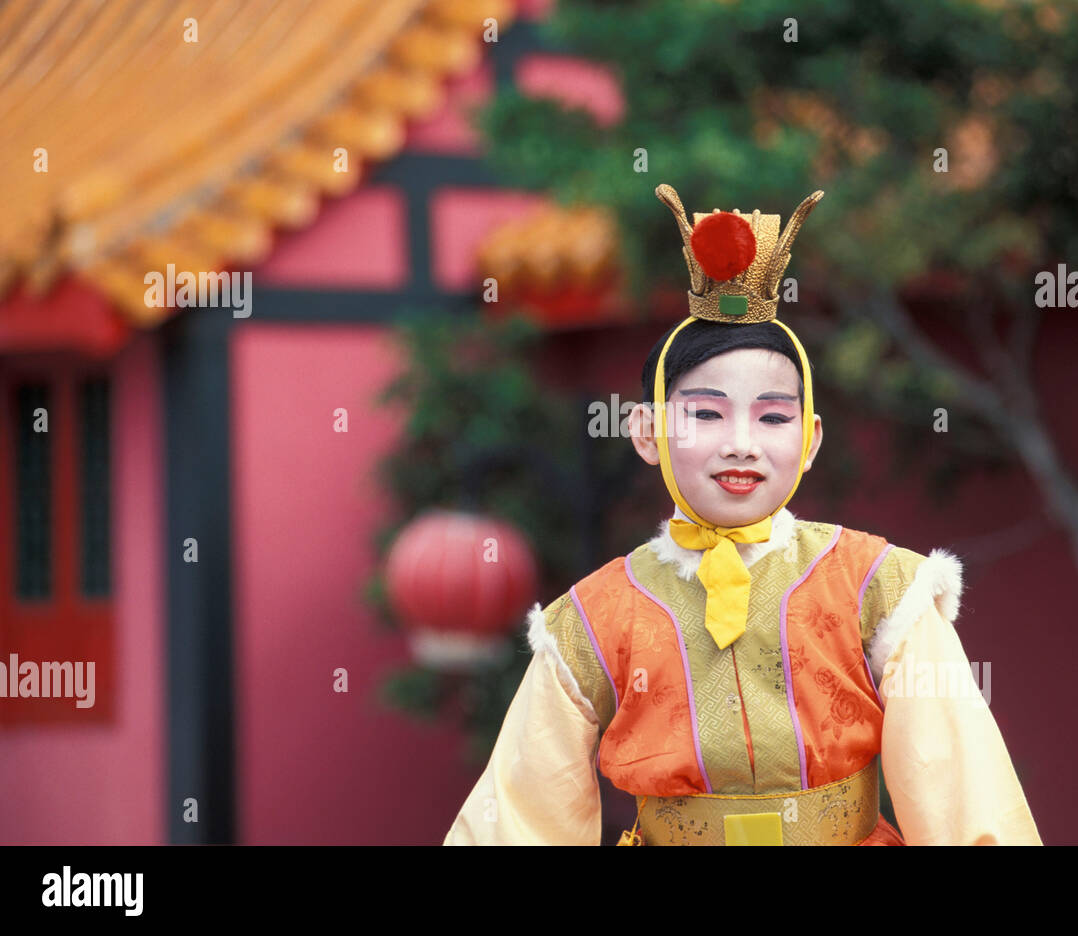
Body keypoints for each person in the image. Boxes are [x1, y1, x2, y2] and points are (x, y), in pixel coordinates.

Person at [443, 184, 1041, 845]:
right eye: (705, 413)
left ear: (810, 439)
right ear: (646, 432)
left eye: (773, 416)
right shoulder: (592, 618)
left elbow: (961, 788)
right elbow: (522, 812)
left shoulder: (881, 589)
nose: (741, 442)